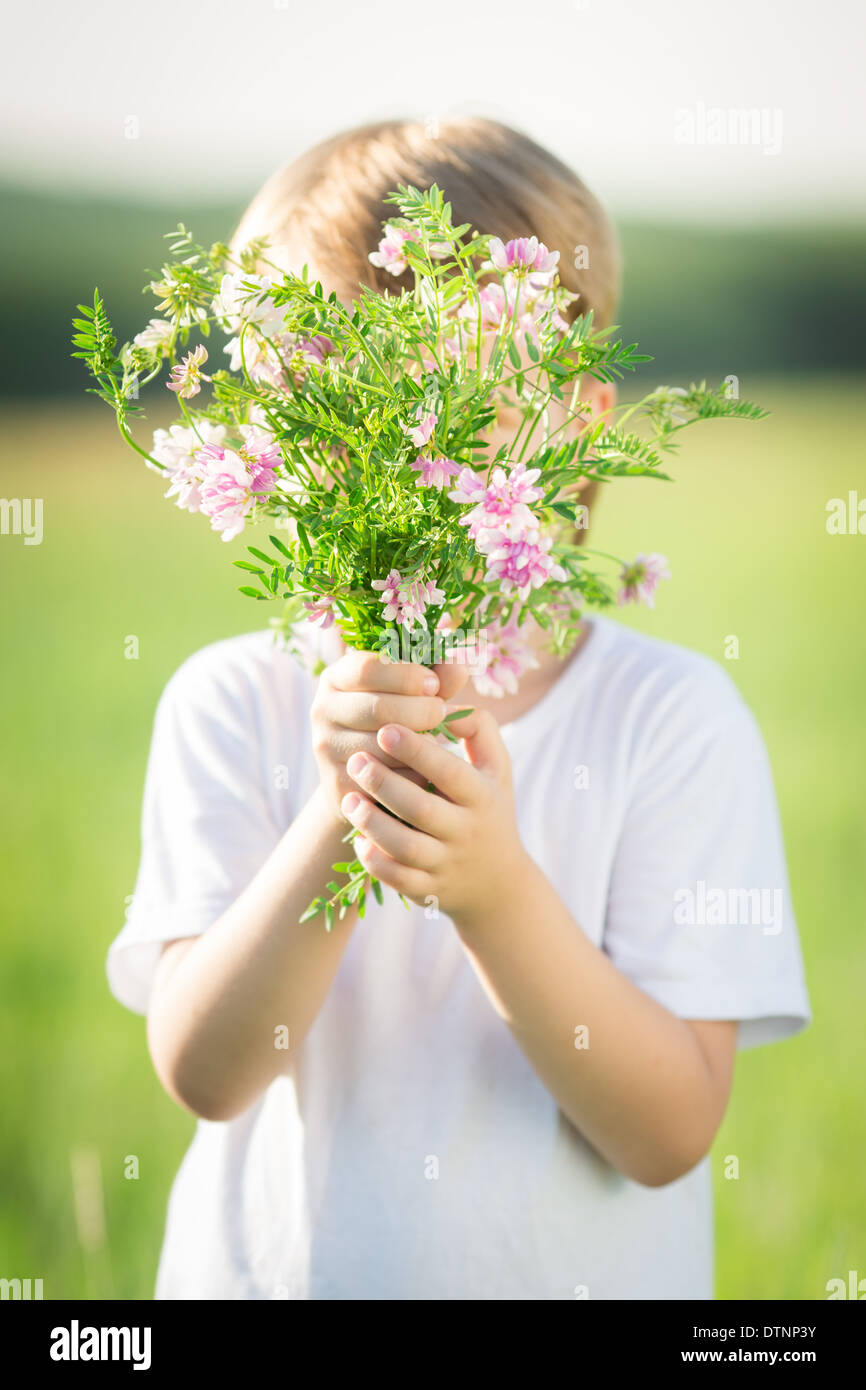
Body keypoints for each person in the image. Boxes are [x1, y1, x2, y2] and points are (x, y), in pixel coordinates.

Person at [107, 117, 810, 1300]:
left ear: (573, 418)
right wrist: (342, 810)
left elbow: (668, 1129)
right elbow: (208, 1072)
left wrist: (492, 890)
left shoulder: (667, 717)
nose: (386, 441)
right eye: (326, 399)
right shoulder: (234, 700)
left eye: (439, 383)